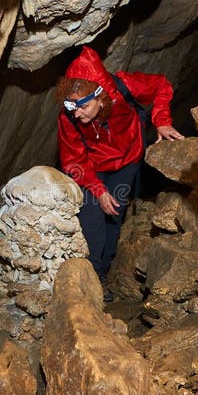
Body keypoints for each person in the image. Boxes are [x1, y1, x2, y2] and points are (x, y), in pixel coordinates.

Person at [56, 46, 183, 301]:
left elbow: (161, 85)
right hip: (92, 167)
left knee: (114, 218)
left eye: (81, 107)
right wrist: (98, 189)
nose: (75, 113)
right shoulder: (69, 118)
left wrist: (161, 120)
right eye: (70, 107)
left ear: (100, 96)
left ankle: (101, 274)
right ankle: (90, 279)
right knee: (91, 218)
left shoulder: (124, 87)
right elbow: (73, 160)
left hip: (127, 160)